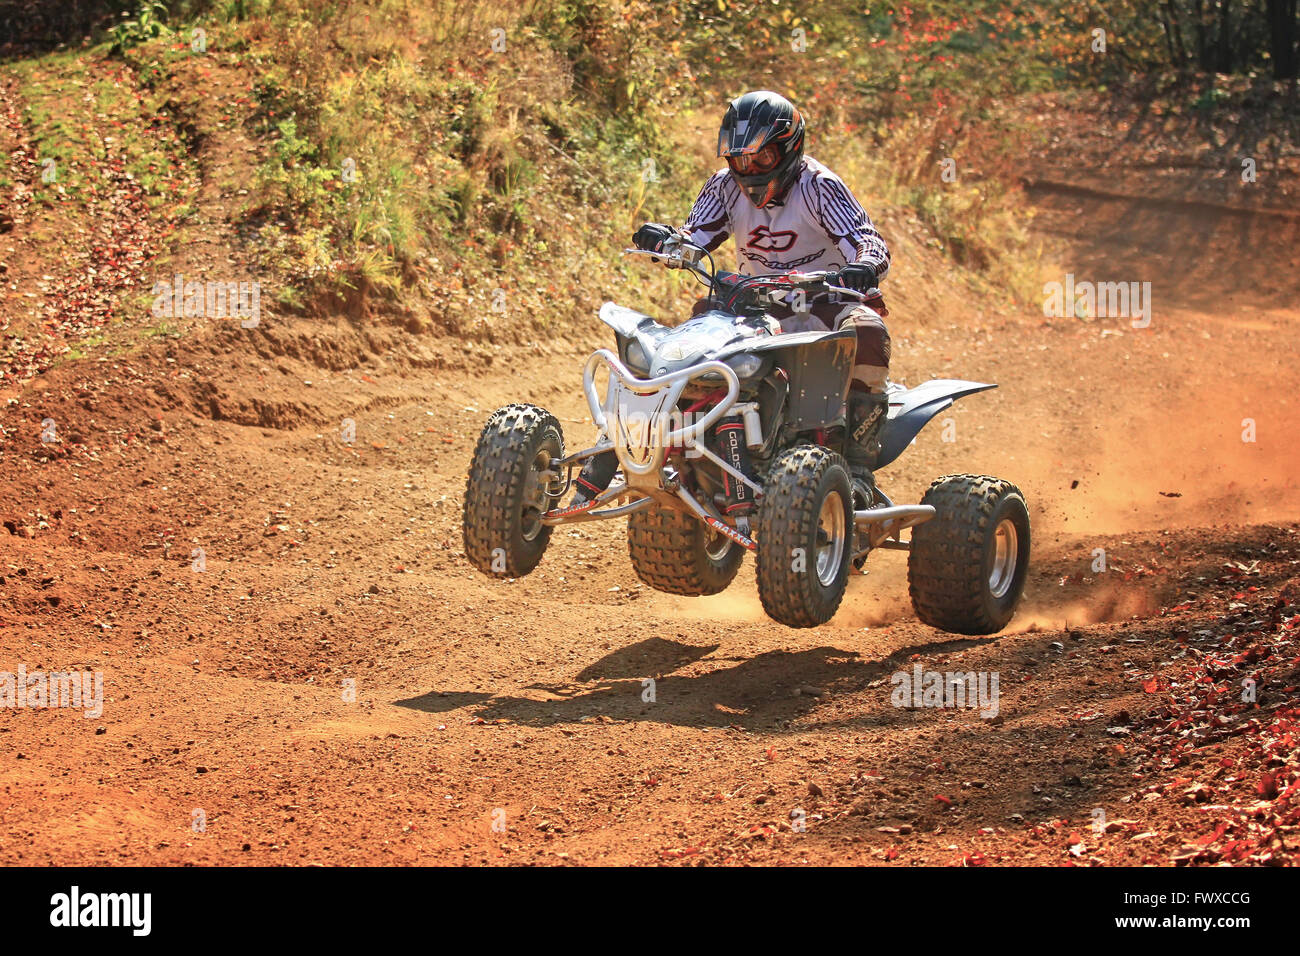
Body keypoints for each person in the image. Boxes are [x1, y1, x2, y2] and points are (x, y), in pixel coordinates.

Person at [566, 90, 892, 510]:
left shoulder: (819, 187)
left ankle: (860, 468)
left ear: (789, 149)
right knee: (692, 333)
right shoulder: (725, 188)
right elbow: (694, 237)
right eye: (738, 160)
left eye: (761, 160)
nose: (748, 170)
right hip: (754, 303)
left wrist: (863, 265)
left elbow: (866, 240)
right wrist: (667, 242)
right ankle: (663, 441)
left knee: (866, 330)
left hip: (824, 300)